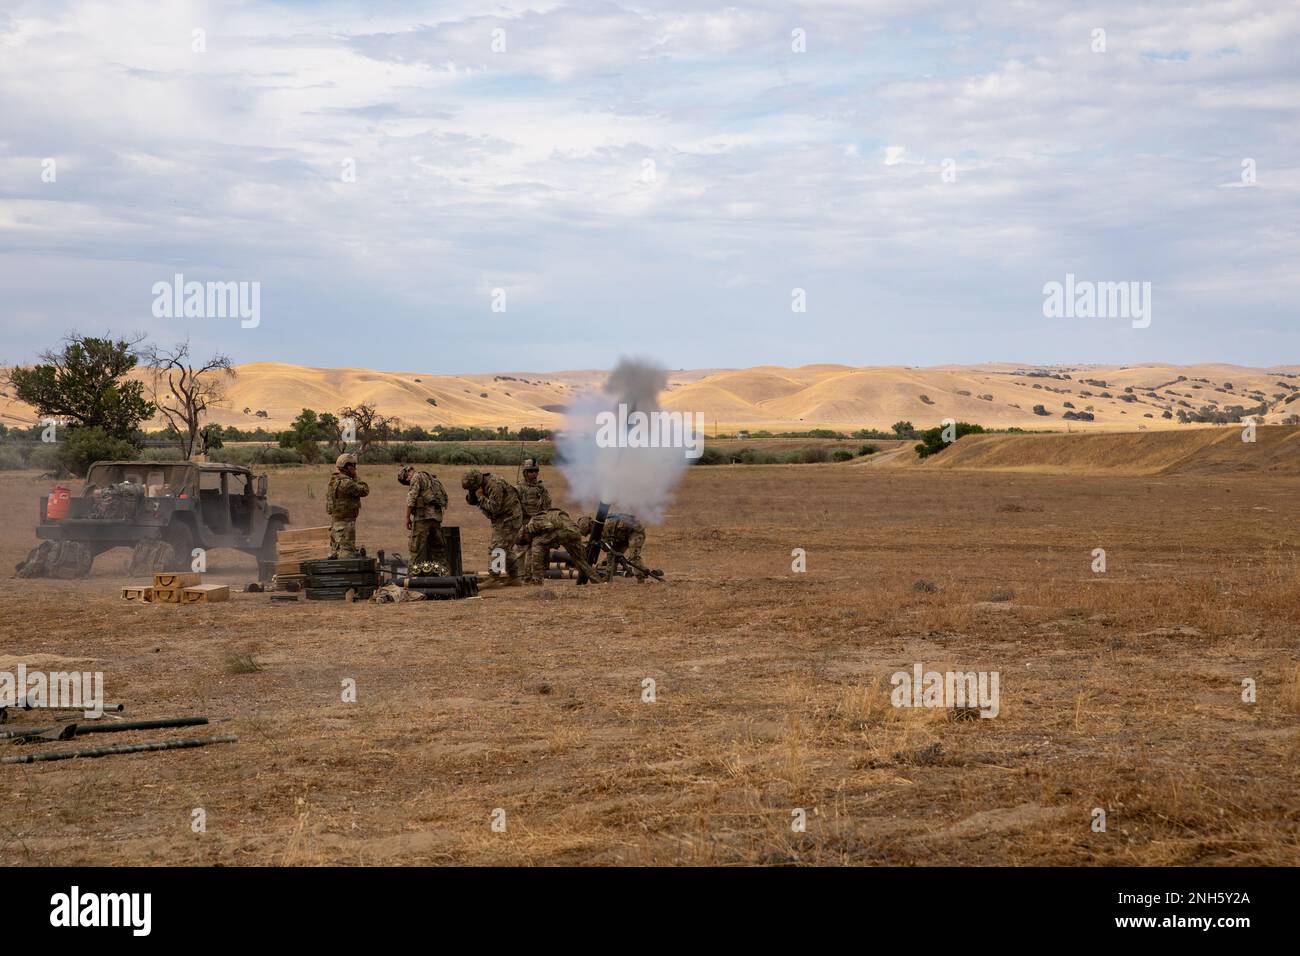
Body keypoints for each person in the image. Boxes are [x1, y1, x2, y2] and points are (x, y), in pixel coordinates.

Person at [461, 469, 523, 584]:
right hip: (501, 518)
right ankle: (515, 577)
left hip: (509, 518)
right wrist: (473, 495)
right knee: (505, 547)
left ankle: (494, 577)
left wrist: (480, 497)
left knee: (497, 547)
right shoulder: (481, 485)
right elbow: (471, 501)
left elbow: (494, 508)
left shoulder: (495, 485)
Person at [517, 509, 601, 585]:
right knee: (580, 560)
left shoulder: (533, 523)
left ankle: (537, 580)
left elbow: (549, 526)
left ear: (524, 534)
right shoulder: (541, 519)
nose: (528, 541)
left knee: (537, 543)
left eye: (526, 540)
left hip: (564, 531)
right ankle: (598, 581)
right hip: (574, 532)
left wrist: (553, 542)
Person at [398, 465, 449, 570]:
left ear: (409, 471)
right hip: (436, 519)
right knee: (438, 550)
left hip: (422, 518)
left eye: (406, 477)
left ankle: (411, 578)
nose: (407, 480)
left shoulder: (416, 477)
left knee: (415, 549)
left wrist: (407, 517)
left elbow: (411, 498)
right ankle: (443, 576)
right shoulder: (433, 479)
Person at [326, 453, 369, 558]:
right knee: (347, 555)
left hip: (335, 523)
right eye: (353, 466)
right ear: (347, 466)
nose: (354, 468)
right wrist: (355, 476)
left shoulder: (333, 480)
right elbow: (365, 490)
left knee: (336, 551)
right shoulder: (347, 483)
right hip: (345, 525)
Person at [578, 512, 647, 576]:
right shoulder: (602, 524)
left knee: (633, 557)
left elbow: (609, 550)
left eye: (589, 532)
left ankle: (640, 579)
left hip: (635, 533)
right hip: (623, 536)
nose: (591, 534)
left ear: (591, 525)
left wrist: (601, 544)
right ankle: (611, 573)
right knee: (615, 555)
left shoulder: (604, 527)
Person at [516, 457, 552, 579]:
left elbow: (547, 507)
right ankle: (521, 576)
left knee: (535, 552)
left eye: (536, 471)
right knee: (521, 551)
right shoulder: (519, 489)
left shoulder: (541, 488)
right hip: (524, 525)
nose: (534, 474)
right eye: (531, 471)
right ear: (525, 473)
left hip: (538, 525)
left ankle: (531, 576)